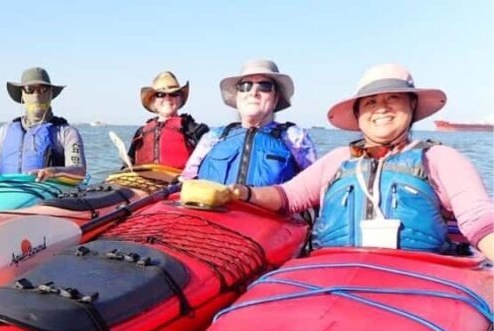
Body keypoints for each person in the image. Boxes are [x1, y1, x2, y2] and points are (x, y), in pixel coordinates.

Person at [217, 63, 494, 259]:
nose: (382, 108)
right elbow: (288, 197)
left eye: (393, 98)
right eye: (370, 102)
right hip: (334, 276)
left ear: (412, 107)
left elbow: (480, 221)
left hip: (418, 284)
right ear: (359, 114)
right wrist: (242, 192)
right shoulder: (338, 159)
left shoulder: (440, 158)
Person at [180, 59, 317, 186]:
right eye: (245, 86)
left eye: (265, 86)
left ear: (275, 99)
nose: (254, 92)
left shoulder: (295, 137)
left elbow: (315, 186)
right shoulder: (213, 137)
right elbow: (186, 180)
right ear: (238, 97)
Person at [0, 67, 86, 181]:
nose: (36, 96)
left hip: (47, 194)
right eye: (29, 89)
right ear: (22, 94)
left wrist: (53, 172)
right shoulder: (4, 131)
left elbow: (79, 171)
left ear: (51, 93)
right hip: (5, 192)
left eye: (43, 89)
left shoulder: (66, 133)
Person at [127, 71, 209, 169]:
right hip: (144, 183)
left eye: (174, 94)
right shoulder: (141, 132)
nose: (167, 98)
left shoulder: (194, 129)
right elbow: (128, 165)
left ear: (180, 99)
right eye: (160, 94)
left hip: (181, 182)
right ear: (153, 100)